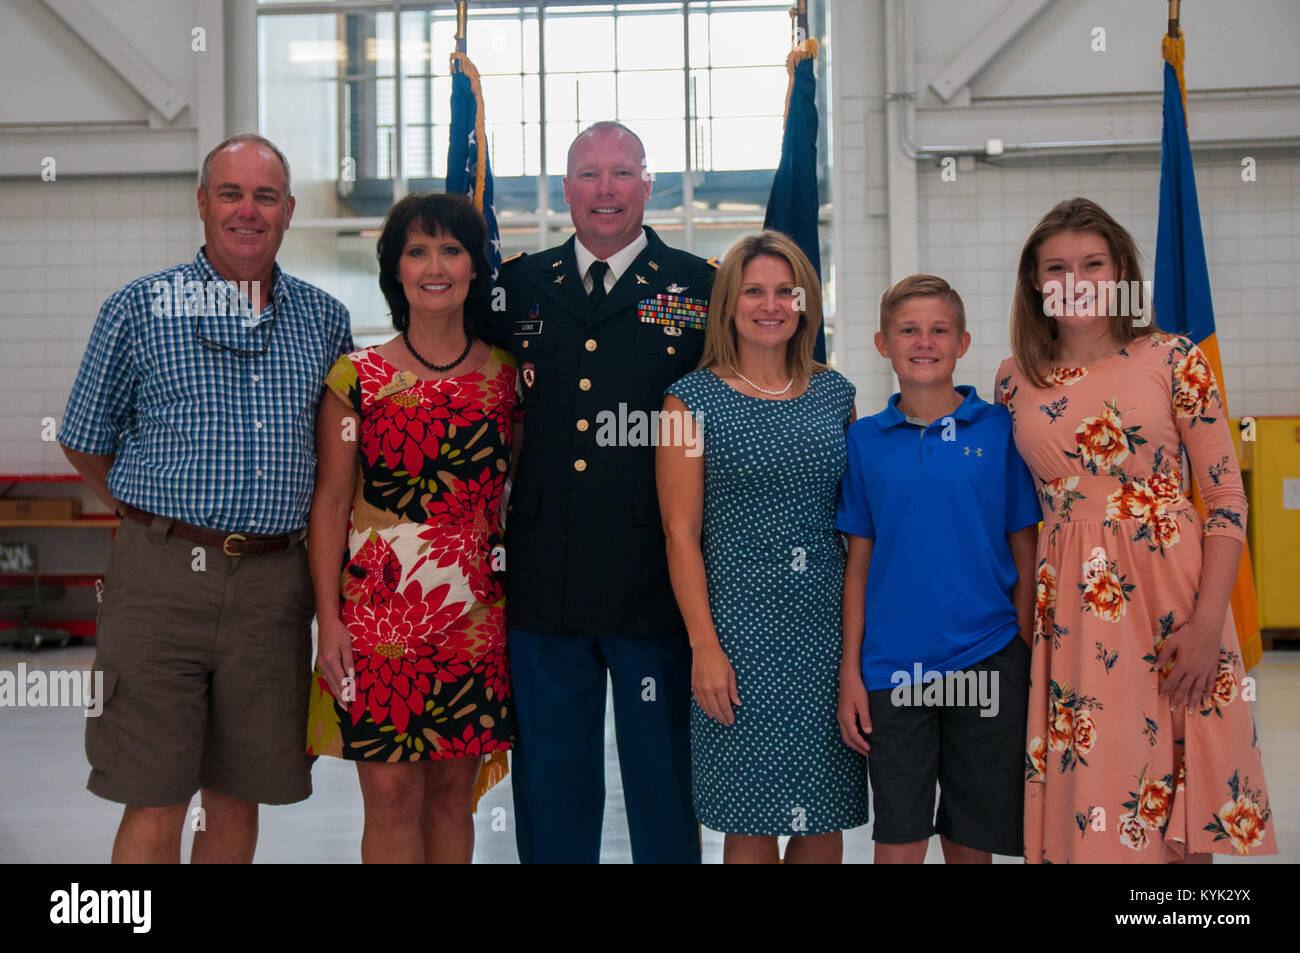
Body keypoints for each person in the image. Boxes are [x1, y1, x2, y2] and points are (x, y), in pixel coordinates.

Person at [58, 133, 354, 863]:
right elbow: (84, 437)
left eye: (265, 196)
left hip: (273, 587)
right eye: (231, 193)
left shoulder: (325, 321)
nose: (247, 210)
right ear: (201, 203)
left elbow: (333, 471)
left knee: (238, 793)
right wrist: (150, 518)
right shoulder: (136, 310)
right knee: (155, 792)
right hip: (159, 583)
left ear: (287, 211)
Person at [997, 197, 1276, 863]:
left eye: (1093, 262)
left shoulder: (1173, 357)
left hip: (1174, 598)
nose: (1076, 278)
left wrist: (1209, 623)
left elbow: (1227, 498)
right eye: (1057, 266)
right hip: (1070, 608)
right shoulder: (1014, 381)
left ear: (1120, 268)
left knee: (1175, 789)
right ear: (1035, 281)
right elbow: (1016, 513)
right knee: (1093, 786)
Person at [480, 121, 716, 863]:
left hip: (656, 575)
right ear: (566, 189)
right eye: (589, 174)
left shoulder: (700, 287)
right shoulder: (518, 285)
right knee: (552, 779)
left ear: (649, 185)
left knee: (663, 778)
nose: (605, 190)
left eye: (622, 174)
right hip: (546, 574)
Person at [305, 192, 518, 864]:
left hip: (475, 620)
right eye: (417, 250)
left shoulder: (509, 378)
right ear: (394, 269)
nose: (435, 265)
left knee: (453, 798)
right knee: (393, 796)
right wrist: (328, 621)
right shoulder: (355, 378)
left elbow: (518, 499)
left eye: (451, 249)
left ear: (475, 267)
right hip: (378, 623)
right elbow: (331, 503)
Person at [656, 231, 867, 864]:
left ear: (805, 303)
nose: (769, 304)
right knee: (749, 821)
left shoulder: (838, 393)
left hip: (826, 636)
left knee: (822, 814)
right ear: (729, 303)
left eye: (785, 291)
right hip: (737, 637)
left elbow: (857, 525)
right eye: (754, 291)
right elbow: (679, 534)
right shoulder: (686, 401)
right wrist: (704, 649)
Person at [835, 274, 1040, 864]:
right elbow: (858, 564)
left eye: (939, 330)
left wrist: (1020, 648)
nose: (924, 342)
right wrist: (852, 671)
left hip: (989, 656)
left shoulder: (999, 430)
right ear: (882, 344)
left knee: (972, 836)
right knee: (898, 837)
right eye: (908, 330)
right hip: (894, 669)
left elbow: (1024, 550)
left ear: (963, 342)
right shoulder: (866, 440)